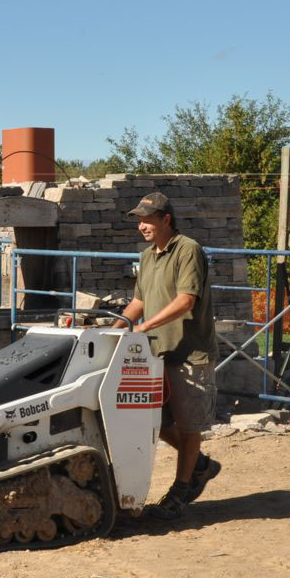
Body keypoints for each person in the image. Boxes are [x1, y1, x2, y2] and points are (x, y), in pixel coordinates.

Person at [114, 192, 220, 520]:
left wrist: (144, 327)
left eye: (148, 220)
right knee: (154, 421)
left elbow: (186, 299)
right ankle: (200, 465)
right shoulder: (147, 256)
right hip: (157, 351)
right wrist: (115, 327)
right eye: (139, 221)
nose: (142, 226)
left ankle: (182, 487)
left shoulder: (188, 250)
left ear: (166, 220)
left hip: (189, 352)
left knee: (189, 427)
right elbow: (139, 301)